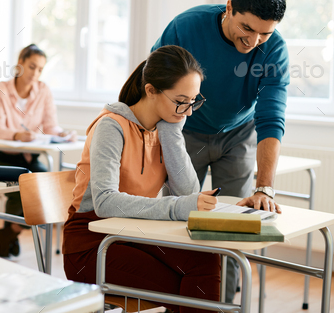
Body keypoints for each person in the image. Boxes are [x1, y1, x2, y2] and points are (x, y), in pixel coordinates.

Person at [151, 0, 288, 302]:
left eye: (264, 33)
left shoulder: (274, 49)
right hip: (184, 130)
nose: (253, 40)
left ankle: (222, 306)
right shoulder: (186, 28)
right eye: (246, 28)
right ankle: (176, 302)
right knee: (176, 215)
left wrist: (264, 187)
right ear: (229, 8)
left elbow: (270, 118)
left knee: (232, 227)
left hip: (238, 134)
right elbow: (153, 84)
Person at [63, 45, 221, 313]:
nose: (189, 111)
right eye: (181, 101)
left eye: (194, 100)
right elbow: (104, 202)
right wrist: (178, 207)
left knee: (206, 262)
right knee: (183, 285)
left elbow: (187, 192)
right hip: (93, 244)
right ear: (151, 90)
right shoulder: (111, 126)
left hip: (134, 233)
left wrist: (172, 132)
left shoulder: (164, 128)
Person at [0, 43, 77, 257]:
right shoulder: (0, 89)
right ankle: (10, 234)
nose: (35, 73)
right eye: (31, 67)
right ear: (20, 64)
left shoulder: (43, 90)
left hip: (28, 156)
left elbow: (49, 126)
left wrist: (61, 133)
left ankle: (9, 233)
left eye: (40, 69)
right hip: (1, 155)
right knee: (23, 181)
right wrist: (17, 135)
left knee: (46, 185)